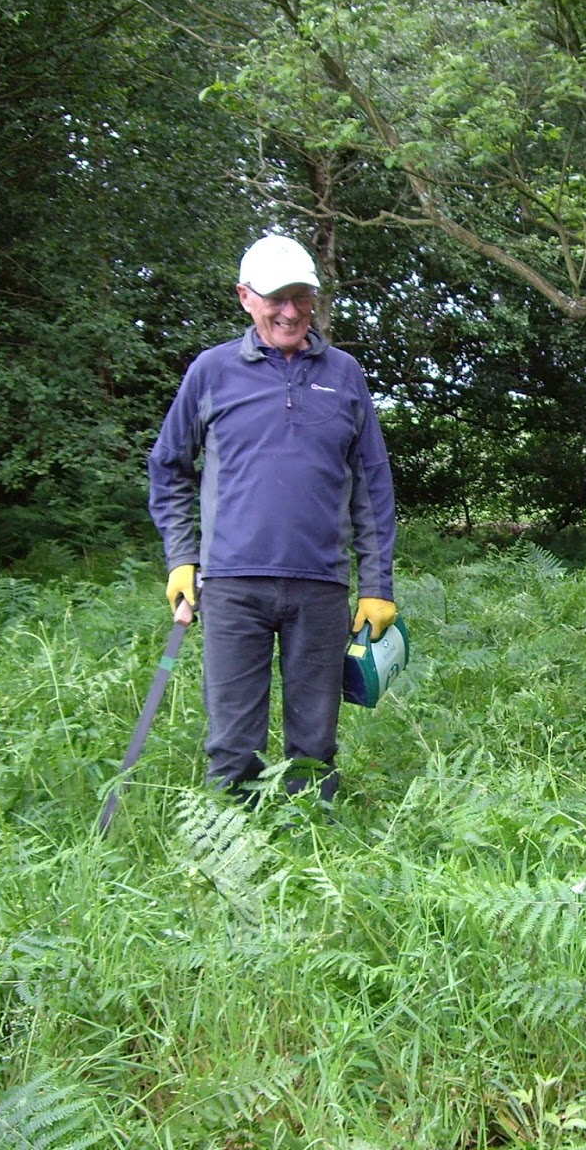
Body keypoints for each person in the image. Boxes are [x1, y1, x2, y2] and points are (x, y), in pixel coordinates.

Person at [148, 233, 398, 806]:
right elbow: (168, 466)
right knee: (233, 743)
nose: (290, 311)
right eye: (276, 298)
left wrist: (377, 586)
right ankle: (228, 852)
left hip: (322, 585)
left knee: (314, 740)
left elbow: (373, 485)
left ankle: (311, 845)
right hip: (233, 584)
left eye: (302, 297)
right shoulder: (211, 373)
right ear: (245, 297)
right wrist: (182, 557)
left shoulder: (345, 374)